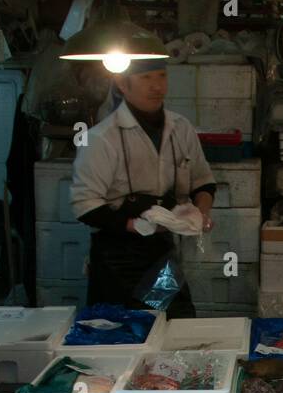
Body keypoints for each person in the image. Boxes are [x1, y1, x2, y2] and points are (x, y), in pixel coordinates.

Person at [70, 58, 217, 312]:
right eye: (146, 78)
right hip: (116, 255)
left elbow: (203, 182)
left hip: (160, 251)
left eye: (161, 76)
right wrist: (135, 226)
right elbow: (85, 205)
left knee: (173, 322)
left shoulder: (181, 129)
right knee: (120, 332)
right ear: (122, 84)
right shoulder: (100, 138)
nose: (156, 86)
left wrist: (201, 214)